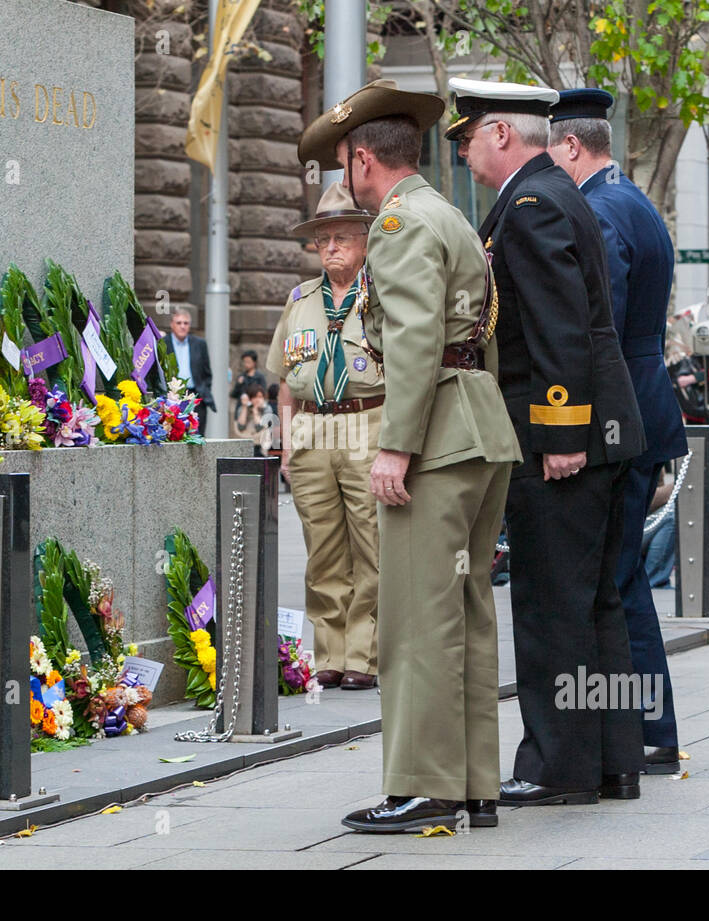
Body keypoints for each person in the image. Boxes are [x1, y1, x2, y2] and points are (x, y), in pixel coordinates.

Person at [299, 79, 521, 833]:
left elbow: (419, 336)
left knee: (416, 619)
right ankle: (474, 781)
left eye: (344, 165)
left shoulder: (396, 223)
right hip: (479, 425)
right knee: (467, 610)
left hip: (436, 438)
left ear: (364, 159)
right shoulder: (448, 212)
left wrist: (394, 446)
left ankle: (425, 786)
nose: (346, 182)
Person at [449, 77, 645, 806]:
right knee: (598, 603)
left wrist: (561, 432)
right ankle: (614, 756)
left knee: (551, 604)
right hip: (602, 427)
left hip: (564, 434)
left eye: (468, 139)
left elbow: (562, 325)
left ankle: (556, 765)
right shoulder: (553, 195)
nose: (465, 156)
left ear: (502, 134)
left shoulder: (528, 207)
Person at [547, 87, 685, 774]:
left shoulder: (598, 211)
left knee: (619, 577)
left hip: (619, 412)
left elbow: (598, 327)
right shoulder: (634, 202)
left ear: (572, 146)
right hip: (645, 401)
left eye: (551, 149)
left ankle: (648, 729)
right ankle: (649, 727)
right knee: (623, 573)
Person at [264, 181, 382, 691]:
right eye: (322, 239)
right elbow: (284, 382)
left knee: (371, 543)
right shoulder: (300, 300)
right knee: (323, 549)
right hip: (312, 427)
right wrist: (287, 442)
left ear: (365, 241)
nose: (330, 247)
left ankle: (365, 654)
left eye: (341, 237)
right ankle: (329, 652)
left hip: (367, 421)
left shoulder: (381, 297)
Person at [168, 308, 214, 435]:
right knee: (174, 434)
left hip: (196, 396)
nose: (182, 326)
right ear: (172, 324)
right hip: (173, 397)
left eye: (186, 323)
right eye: (179, 323)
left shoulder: (200, 344)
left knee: (197, 435)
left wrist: (204, 391)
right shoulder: (163, 343)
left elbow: (207, 372)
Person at [234, 383, 274, 456]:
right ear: (250, 398)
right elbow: (240, 427)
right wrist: (245, 407)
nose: (257, 399)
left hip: (260, 445)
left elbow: (259, 427)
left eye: (260, 397)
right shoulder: (242, 408)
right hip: (245, 443)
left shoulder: (267, 409)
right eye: (254, 397)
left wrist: (255, 411)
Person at [230, 350, 267, 424]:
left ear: (254, 362)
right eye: (244, 362)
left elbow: (264, 393)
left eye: (248, 362)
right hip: (242, 408)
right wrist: (238, 384)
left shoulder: (260, 377)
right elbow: (233, 394)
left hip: (256, 409)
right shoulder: (241, 377)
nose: (246, 364)